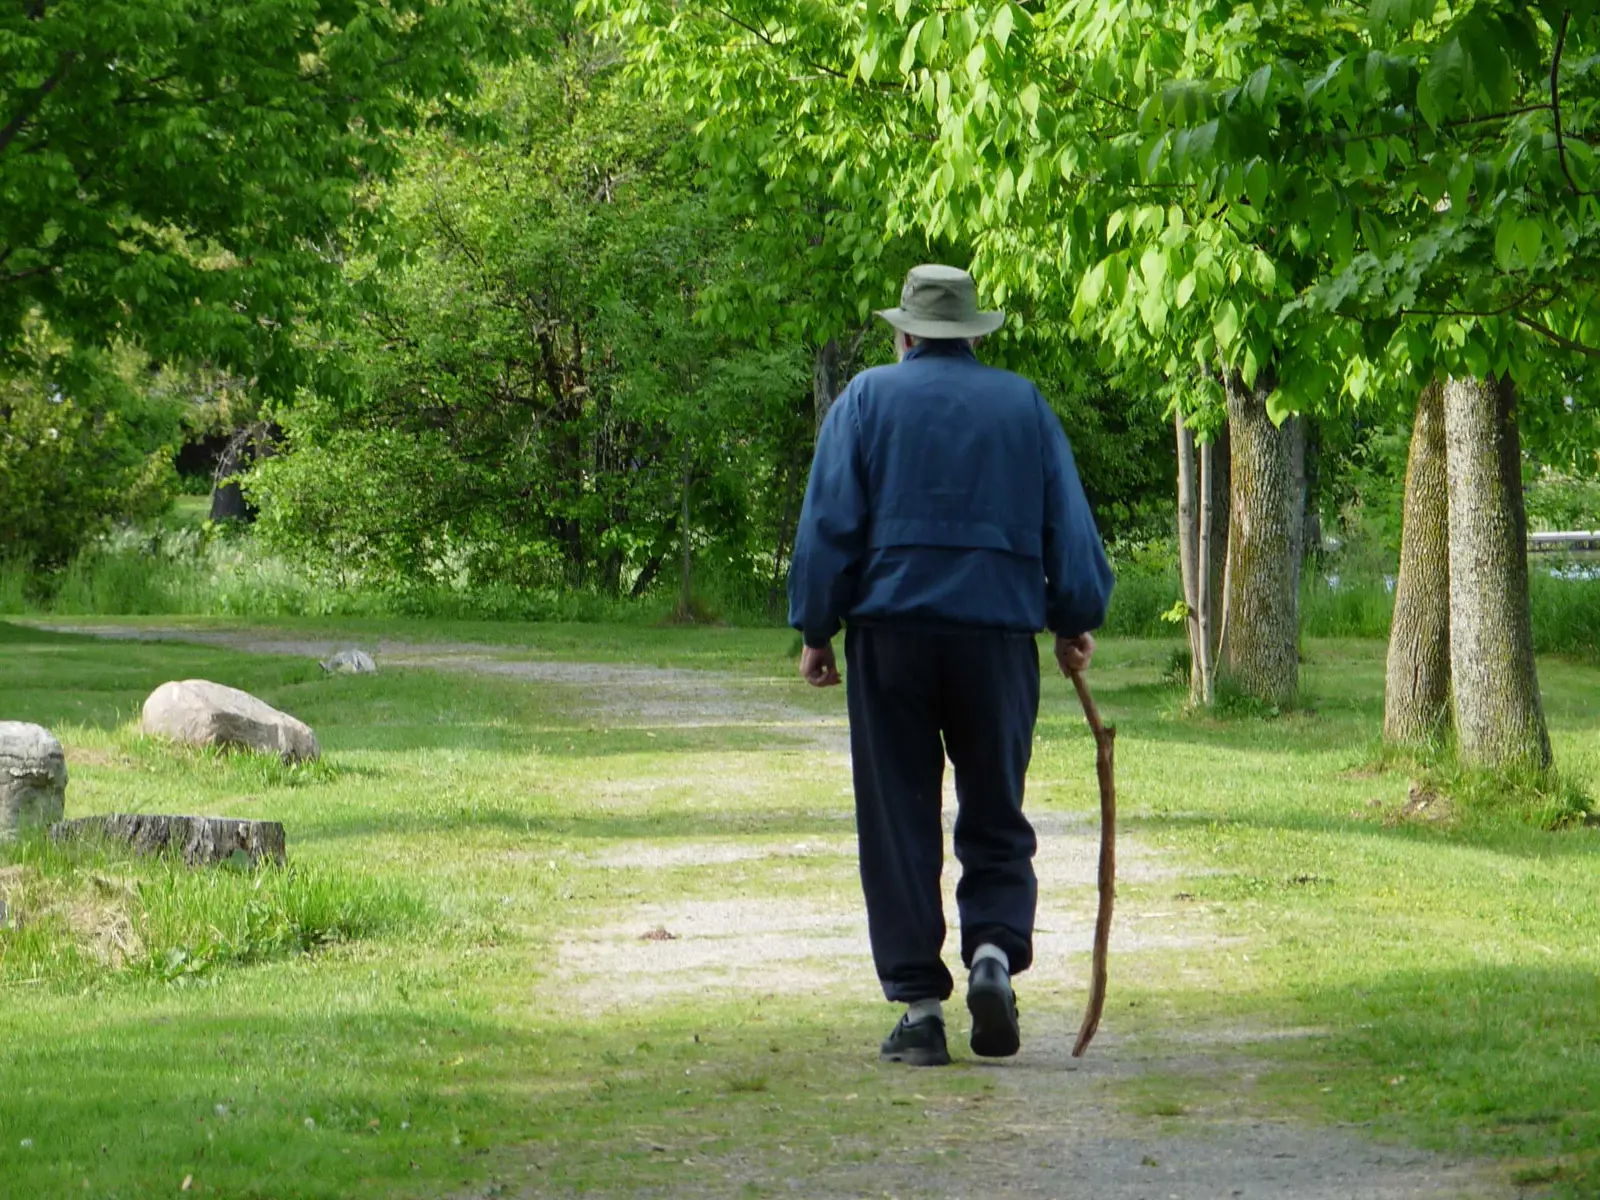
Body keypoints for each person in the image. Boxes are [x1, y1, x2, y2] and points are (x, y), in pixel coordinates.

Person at [787, 264, 1114, 1066]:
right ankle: (994, 954)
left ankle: (919, 1008)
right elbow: (1066, 525)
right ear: (973, 334)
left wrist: (816, 627)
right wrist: (1074, 616)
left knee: (898, 817)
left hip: (891, 637)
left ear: (904, 334)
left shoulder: (865, 400)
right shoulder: (1023, 406)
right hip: (996, 639)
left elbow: (829, 521)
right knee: (995, 805)